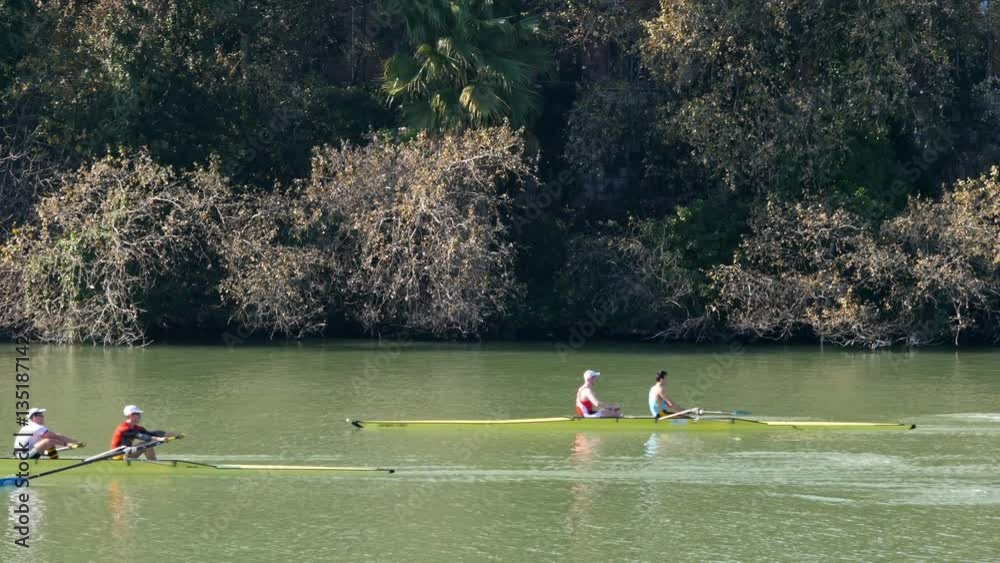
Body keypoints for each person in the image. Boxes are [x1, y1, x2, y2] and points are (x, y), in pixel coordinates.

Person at [110, 405, 179, 460]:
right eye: (138, 414)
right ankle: (155, 465)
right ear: (131, 415)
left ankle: (153, 463)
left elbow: (150, 434)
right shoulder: (123, 429)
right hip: (117, 456)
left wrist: (168, 434)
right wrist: (159, 439)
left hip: (126, 453)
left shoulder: (136, 428)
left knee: (147, 444)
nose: (140, 416)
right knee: (147, 446)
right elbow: (141, 436)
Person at [12, 408, 84, 460]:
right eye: (40, 415)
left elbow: (52, 439)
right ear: (33, 417)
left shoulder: (28, 426)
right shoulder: (36, 427)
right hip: (24, 455)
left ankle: (53, 459)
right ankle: (54, 462)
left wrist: (70, 444)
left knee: (47, 441)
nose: (43, 416)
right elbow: (55, 436)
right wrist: (74, 442)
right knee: (48, 441)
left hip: (22, 453)